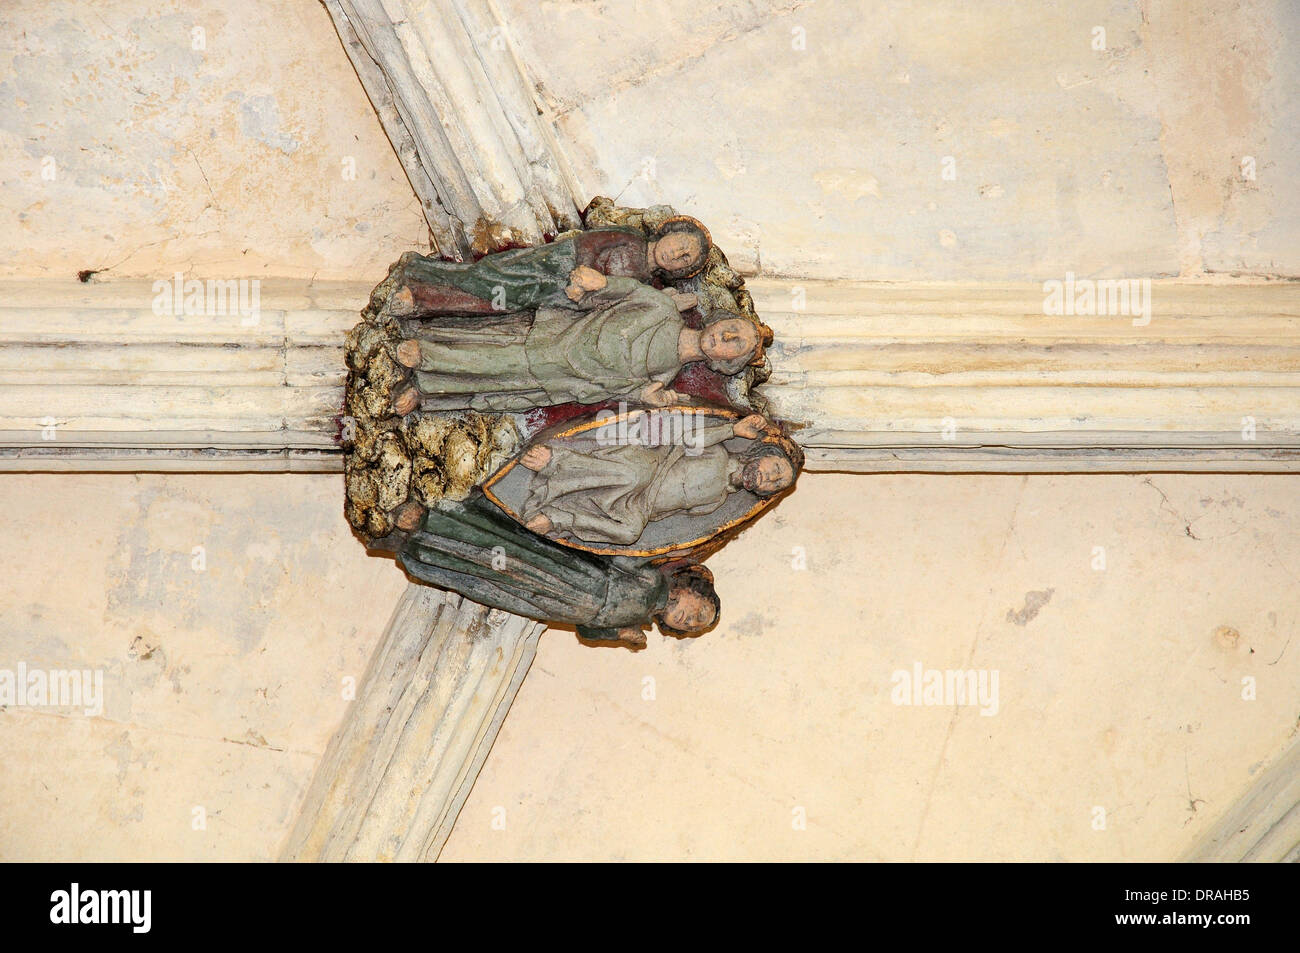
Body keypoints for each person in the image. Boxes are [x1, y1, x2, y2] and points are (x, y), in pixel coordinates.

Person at [390, 272, 762, 414]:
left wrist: (643, 397)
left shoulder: (662, 376)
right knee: (496, 348)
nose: (726, 336)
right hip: (558, 335)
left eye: (735, 345)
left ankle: (427, 387)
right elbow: (628, 290)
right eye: (732, 328)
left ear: (723, 364)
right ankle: (426, 349)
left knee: (497, 379)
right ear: (718, 319)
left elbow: (620, 389)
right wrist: (600, 284)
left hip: (563, 373)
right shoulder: (663, 306)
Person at [392, 494, 720, 647]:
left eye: (691, 627)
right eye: (697, 612)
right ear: (693, 588)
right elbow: (622, 555)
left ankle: (425, 550)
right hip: (563, 571)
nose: (689, 621)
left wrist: (618, 633)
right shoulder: (651, 580)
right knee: (502, 552)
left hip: (550, 602)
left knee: (488, 578)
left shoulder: (638, 621)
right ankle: (431, 521)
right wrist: (673, 550)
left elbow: (585, 630)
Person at [516, 414, 802, 546]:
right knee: (631, 475)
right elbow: (688, 440)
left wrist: (643, 515)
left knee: (630, 533)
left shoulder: (718, 501)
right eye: (776, 467)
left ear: (763, 494)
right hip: (648, 467)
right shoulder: (718, 455)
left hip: (640, 505)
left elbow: (672, 512)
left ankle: (557, 518)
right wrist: (732, 430)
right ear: (764, 454)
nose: (771, 477)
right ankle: (556, 462)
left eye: (776, 484)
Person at [388, 217, 711, 317]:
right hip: (553, 265)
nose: (678, 255)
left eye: (686, 259)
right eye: (681, 245)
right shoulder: (630, 239)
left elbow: (604, 301)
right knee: (488, 276)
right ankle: (419, 271)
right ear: (669, 233)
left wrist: (583, 293)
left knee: (498, 304)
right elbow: (588, 245)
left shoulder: (642, 281)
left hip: (557, 292)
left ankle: (423, 299)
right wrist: (580, 275)